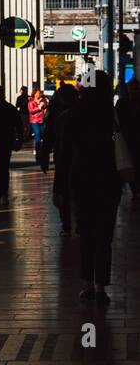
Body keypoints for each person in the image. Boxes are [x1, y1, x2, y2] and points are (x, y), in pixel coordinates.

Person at [65, 70, 123, 302]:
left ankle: (88, 283)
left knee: (86, 233)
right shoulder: (112, 113)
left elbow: (65, 152)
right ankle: (101, 286)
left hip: (82, 179)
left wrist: (62, 185)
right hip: (108, 180)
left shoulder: (75, 113)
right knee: (104, 235)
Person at [47, 83, 78, 235]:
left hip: (62, 159)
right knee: (77, 192)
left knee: (63, 192)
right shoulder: (83, 112)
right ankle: (79, 224)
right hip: (80, 159)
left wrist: (45, 155)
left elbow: (49, 136)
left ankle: (66, 225)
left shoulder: (56, 113)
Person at [28, 87, 49, 171]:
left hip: (42, 121)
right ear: (34, 93)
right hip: (35, 121)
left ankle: (41, 152)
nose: (39, 94)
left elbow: (46, 108)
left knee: (43, 137)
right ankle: (38, 154)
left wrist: (44, 104)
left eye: (40, 93)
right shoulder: (31, 101)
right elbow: (31, 111)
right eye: (38, 93)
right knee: (37, 136)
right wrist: (39, 107)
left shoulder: (42, 100)